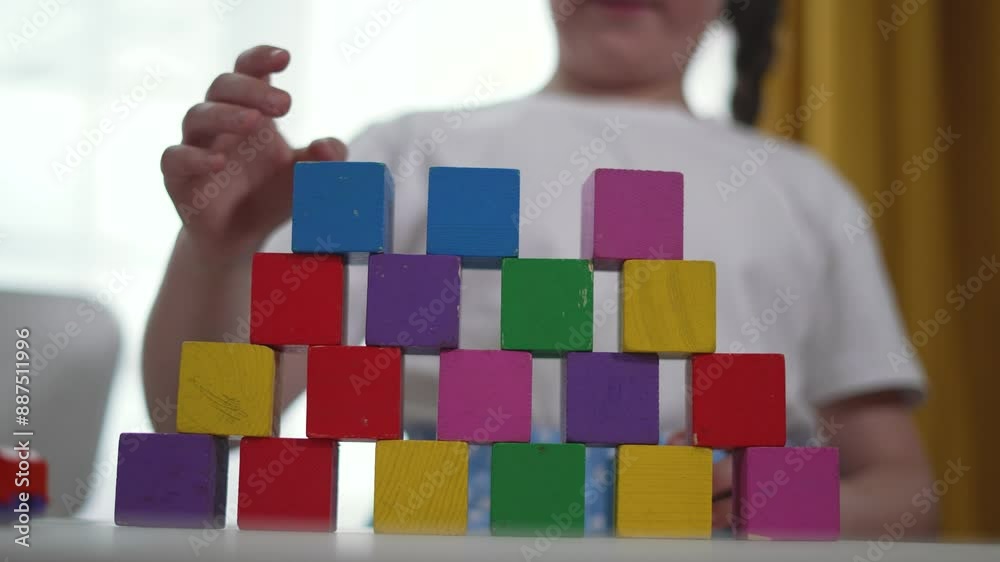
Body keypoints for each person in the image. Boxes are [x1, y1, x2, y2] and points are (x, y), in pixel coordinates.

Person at [144, 0, 935, 537]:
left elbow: (906, 488)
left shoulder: (803, 187)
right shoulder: (412, 147)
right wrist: (219, 255)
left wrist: (769, 501)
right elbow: (197, 426)